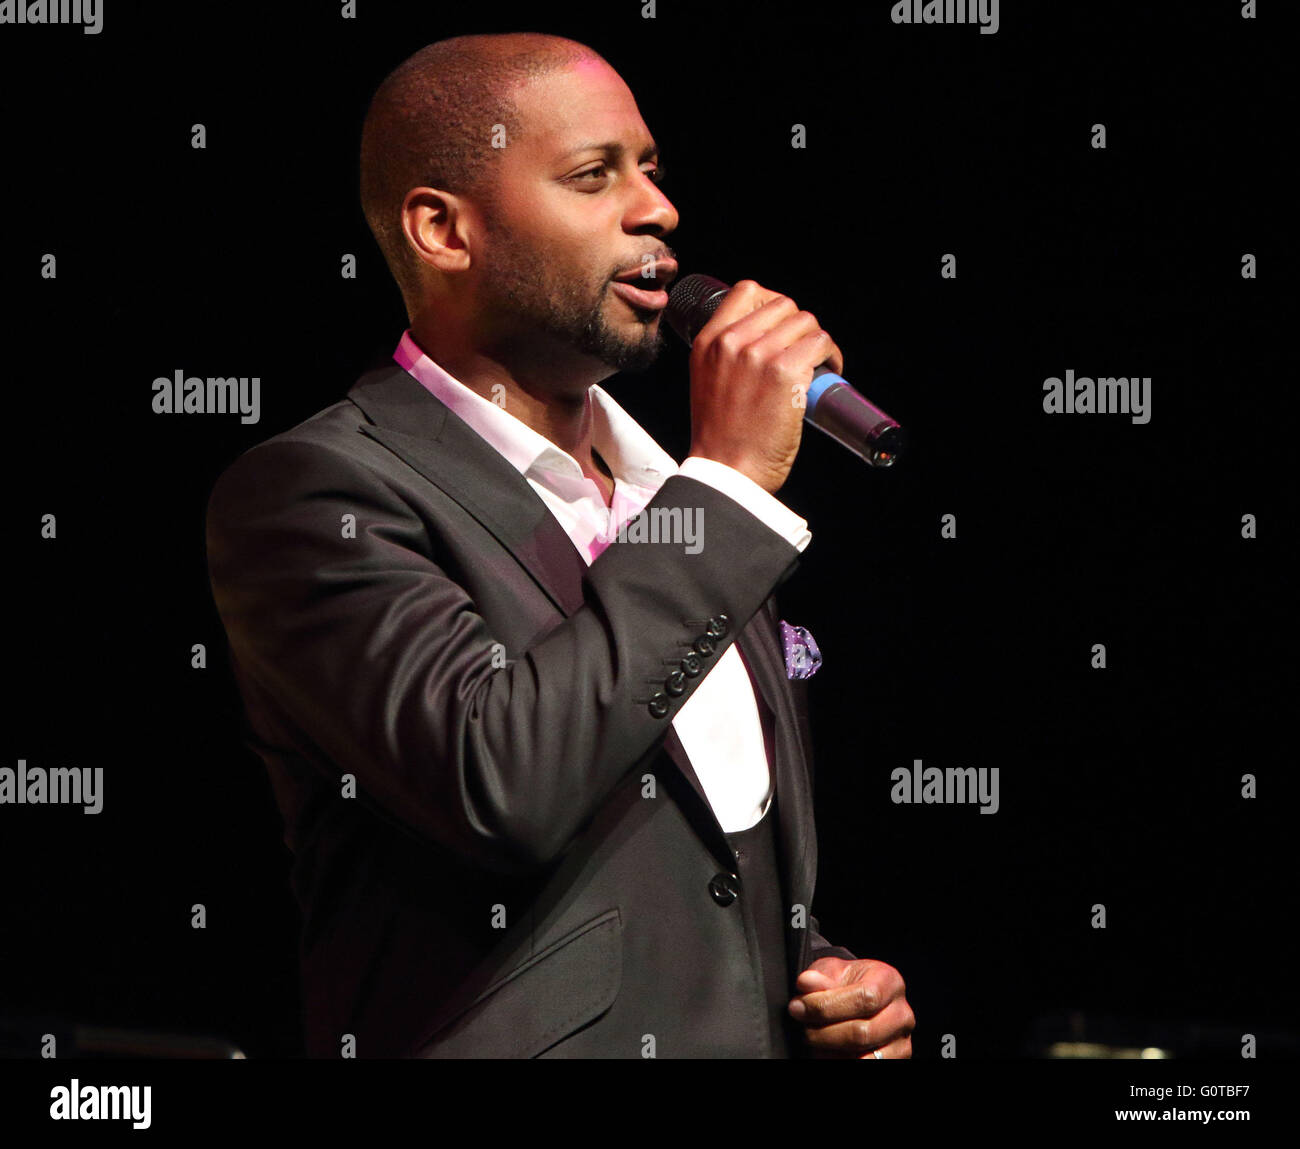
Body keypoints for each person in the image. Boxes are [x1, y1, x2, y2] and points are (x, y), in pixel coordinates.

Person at [205, 31, 914, 1059]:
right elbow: (502, 785)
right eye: (593, 176)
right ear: (444, 230)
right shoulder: (317, 494)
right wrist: (725, 482)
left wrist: (825, 978)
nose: (656, 211)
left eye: (652, 170)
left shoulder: (670, 497)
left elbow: (682, 867)